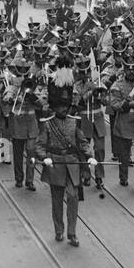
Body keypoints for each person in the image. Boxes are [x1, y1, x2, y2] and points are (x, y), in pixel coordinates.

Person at [34, 90, 96, 247]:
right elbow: (40, 145)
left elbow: (82, 142)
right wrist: (44, 157)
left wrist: (89, 156)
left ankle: (72, 232)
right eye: (61, 107)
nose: (64, 109)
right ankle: (59, 230)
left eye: (66, 106)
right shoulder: (47, 124)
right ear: (54, 108)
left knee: (73, 197)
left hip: (73, 163)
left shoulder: (74, 122)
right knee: (57, 200)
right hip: (55, 164)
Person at [108, 65, 134, 189]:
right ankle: (123, 177)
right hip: (125, 121)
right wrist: (129, 104)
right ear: (124, 70)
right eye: (128, 69)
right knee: (124, 152)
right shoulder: (118, 85)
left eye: (133, 69)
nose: (131, 72)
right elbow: (114, 104)